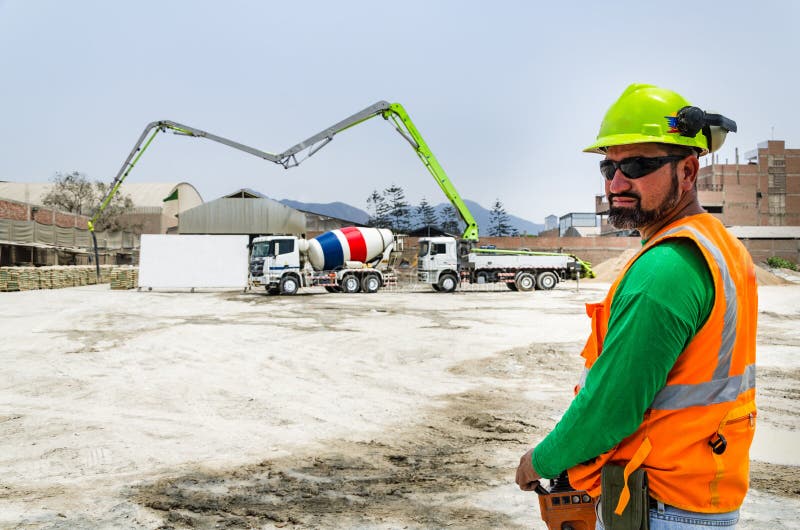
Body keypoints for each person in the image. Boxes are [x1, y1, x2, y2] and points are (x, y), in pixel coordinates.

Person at [515, 84, 757, 529]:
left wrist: (540, 461)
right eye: (609, 166)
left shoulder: (665, 270)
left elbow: (609, 410)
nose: (616, 182)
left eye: (638, 165)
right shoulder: (719, 245)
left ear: (687, 170)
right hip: (698, 494)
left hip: (661, 508)